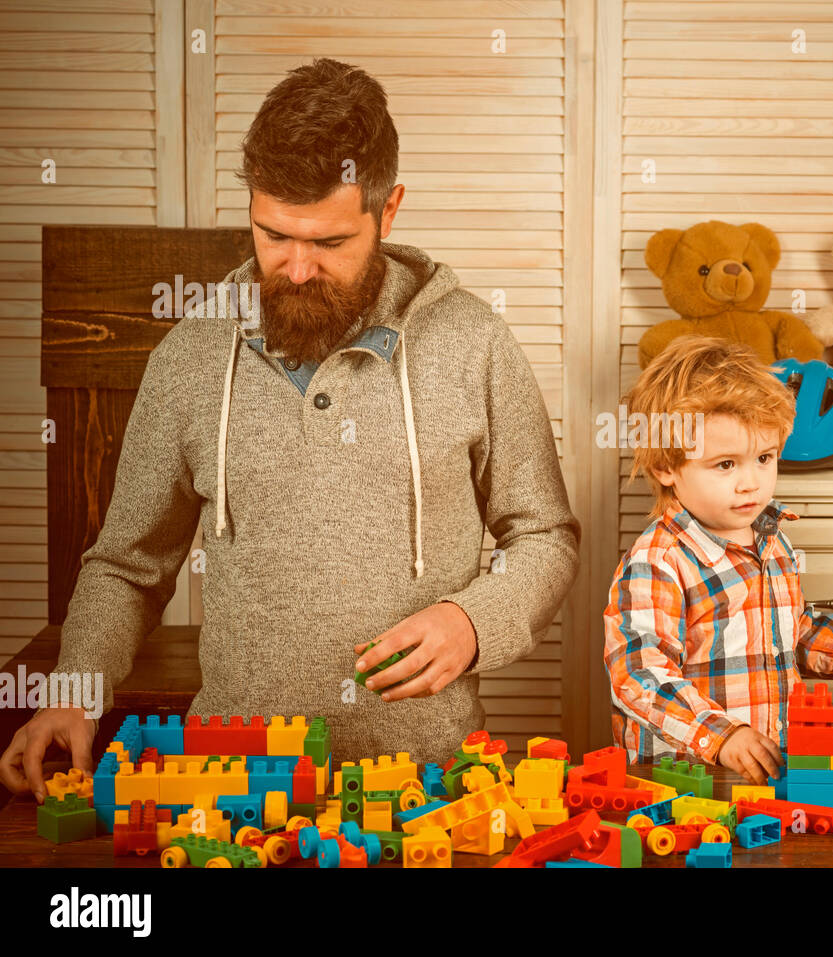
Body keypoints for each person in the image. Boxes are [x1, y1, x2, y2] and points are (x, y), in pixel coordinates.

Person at [1, 58, 579, 801]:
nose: (297, 269)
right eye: (274, 234)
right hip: (237, 787)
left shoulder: (474, 343)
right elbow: (126, 565)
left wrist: (473, 620)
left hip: (430, 787)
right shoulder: (191, 357)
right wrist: (74, 692)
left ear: (389, 209)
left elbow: (545, 534)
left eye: (329, 243)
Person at [604, 336, 833, 786]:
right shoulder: (659, 563)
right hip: (687, 783)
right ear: (666, 466)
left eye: (764, 458)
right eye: (726, 465)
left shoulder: (771, 537)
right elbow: (638, 674)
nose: (751, 482)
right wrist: (722, 735)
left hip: (768, 773)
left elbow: (793, 628)